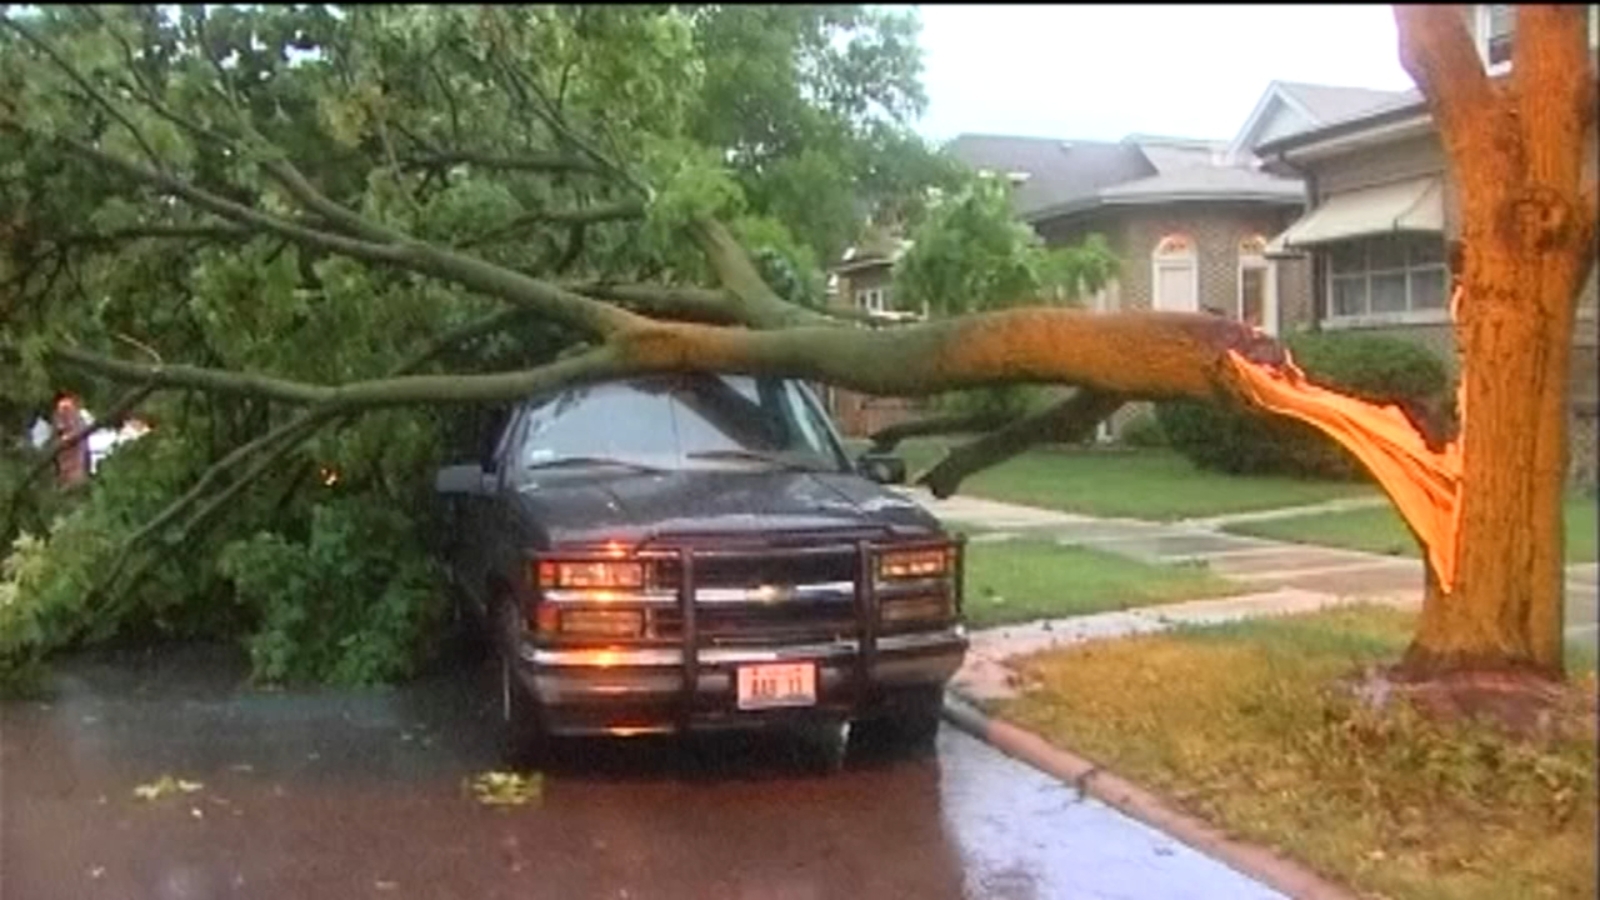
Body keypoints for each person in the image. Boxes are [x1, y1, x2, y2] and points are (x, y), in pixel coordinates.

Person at [50, 392, 91, 486]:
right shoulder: (66, 408)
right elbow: (62, 430)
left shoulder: (71, 410)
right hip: (72, 455)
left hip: (73, 456)